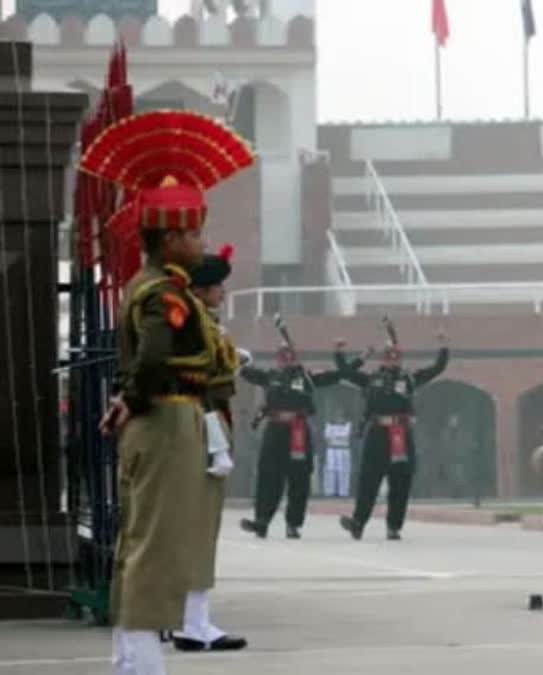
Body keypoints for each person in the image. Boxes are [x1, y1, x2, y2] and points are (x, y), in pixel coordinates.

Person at [85, 109, 254, 674]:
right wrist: (132, 399)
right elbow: (155, 356)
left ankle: (129, 653)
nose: (201, 242)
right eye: (196, 231)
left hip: (165, 419)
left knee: (143, 539)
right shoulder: (165, 294)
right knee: (156, 543)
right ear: (174, 234)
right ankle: (139, 655)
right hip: (165, 420)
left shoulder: (159, 287)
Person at [169, 243, 248, 652]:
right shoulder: (194, 323)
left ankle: (194, 619)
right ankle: (190, 622)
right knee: (198, 528)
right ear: (201, 290)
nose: (223, 293)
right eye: (218, 287)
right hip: (202, 426)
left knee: (202, 529)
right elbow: (200, 379)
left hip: (209, 422)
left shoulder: (205, 322)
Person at [336, 335, 449, 540]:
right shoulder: (371, 379)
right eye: (388, 357)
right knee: (368, 481)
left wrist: (443, 346)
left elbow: (436, 369)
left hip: (401, 435)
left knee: (400, 482)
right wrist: (346, 353)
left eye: (396, 357)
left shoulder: (409, 379)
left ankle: (394, 526)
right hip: (377, 434)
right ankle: (358, 523)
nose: (392, 361)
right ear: (382, 360)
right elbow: (345, 372)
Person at [239, 344, 343, 539]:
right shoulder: (270, 376)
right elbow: (245, 372)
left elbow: (336, 376)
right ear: (277, 360)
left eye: (290, 358)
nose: (286, 361)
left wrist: (339, 358)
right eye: (282, 358)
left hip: (298, 432)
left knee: (299, 479)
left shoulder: (306, 378)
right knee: (268, 477)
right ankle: (262, 521)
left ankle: (293, 524)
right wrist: (234, 358)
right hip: (275, 431)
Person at [324, 408, 354, 498]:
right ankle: (330, 491)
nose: (339, 417)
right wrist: (337, 437)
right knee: (331, 471)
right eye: (337, 415)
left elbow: (346, 436)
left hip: (343, 450)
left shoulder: (348, 424)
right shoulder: (329, 424)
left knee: (343, 471)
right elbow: (327, 437)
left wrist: (334, 437)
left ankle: (343, 492)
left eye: (341, 415)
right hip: (332, 450)